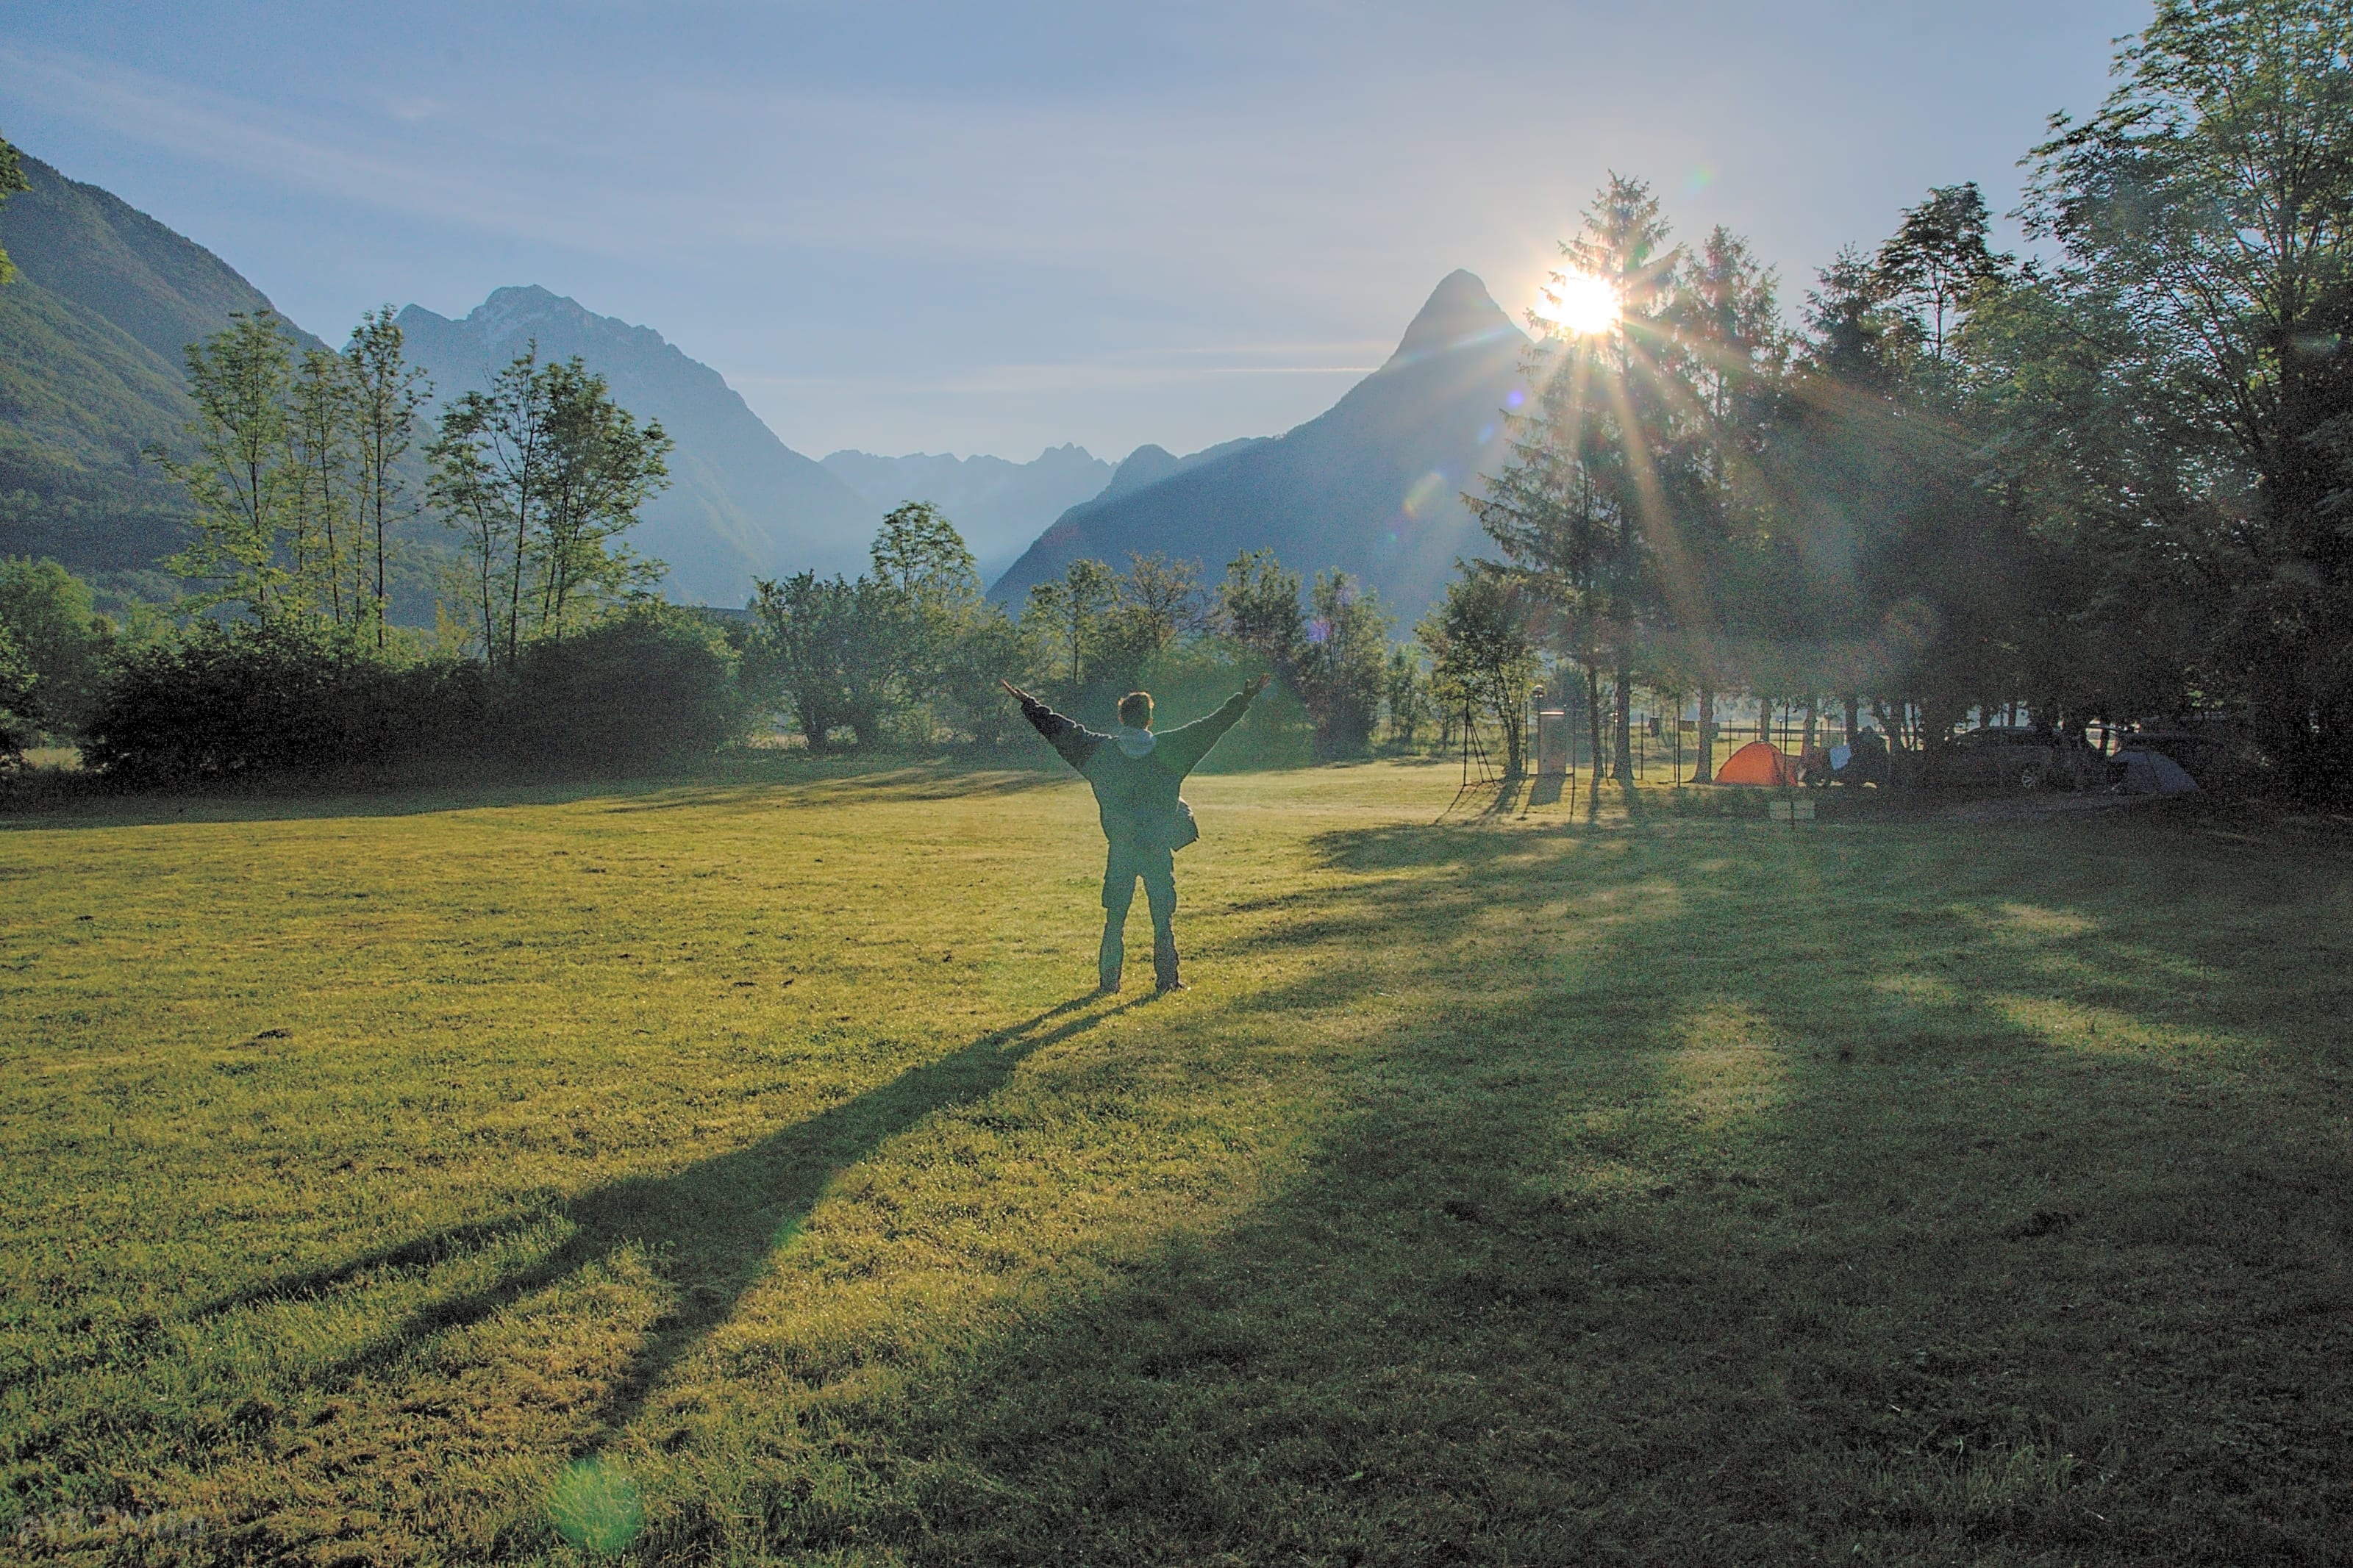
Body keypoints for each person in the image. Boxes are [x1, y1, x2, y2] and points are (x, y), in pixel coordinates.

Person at [1001, 674, 1270, 994]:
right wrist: (1243, 700)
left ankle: (1109, 983)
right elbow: (1211, 726)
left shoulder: (1099, 753)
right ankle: (1167, 981)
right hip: (1157, 849)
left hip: (1122, 850)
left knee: (1114, 920)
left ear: (1121, 719)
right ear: (1149, 720)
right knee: (1162, 919)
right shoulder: (1172, 749)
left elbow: (1059, 730)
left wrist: (1029, 705)